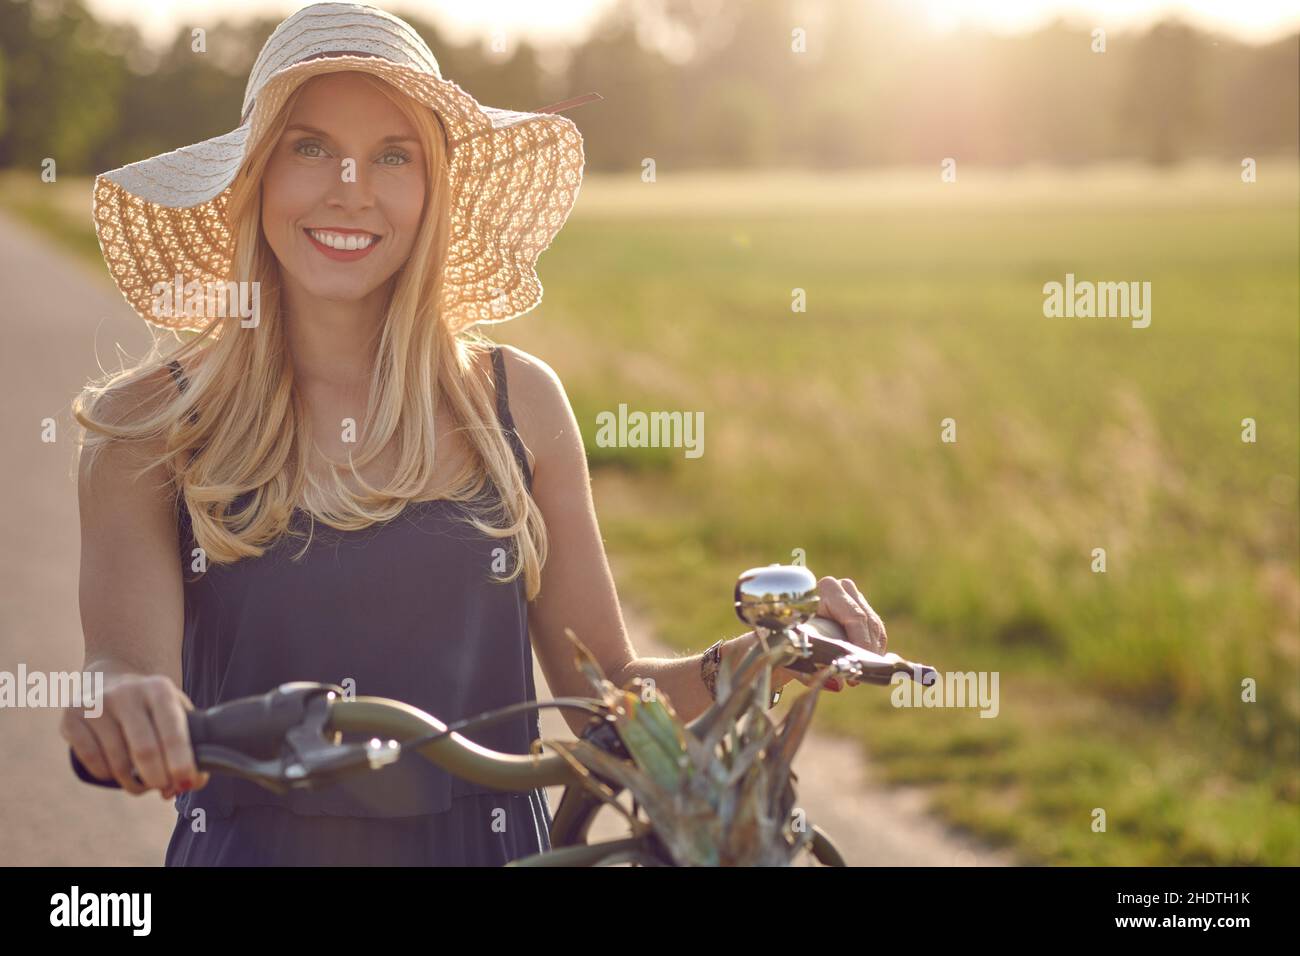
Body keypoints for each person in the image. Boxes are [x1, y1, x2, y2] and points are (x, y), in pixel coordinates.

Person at [59, 1, 888, 866]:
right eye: (310, 147)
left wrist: (762, 659)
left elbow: (604, 697)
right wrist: (119, 705)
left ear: (435, 192)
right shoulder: (144, 429)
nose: (352, 187)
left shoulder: (516, 405)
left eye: (394, 155)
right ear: (255, 174)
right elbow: (116, 672)